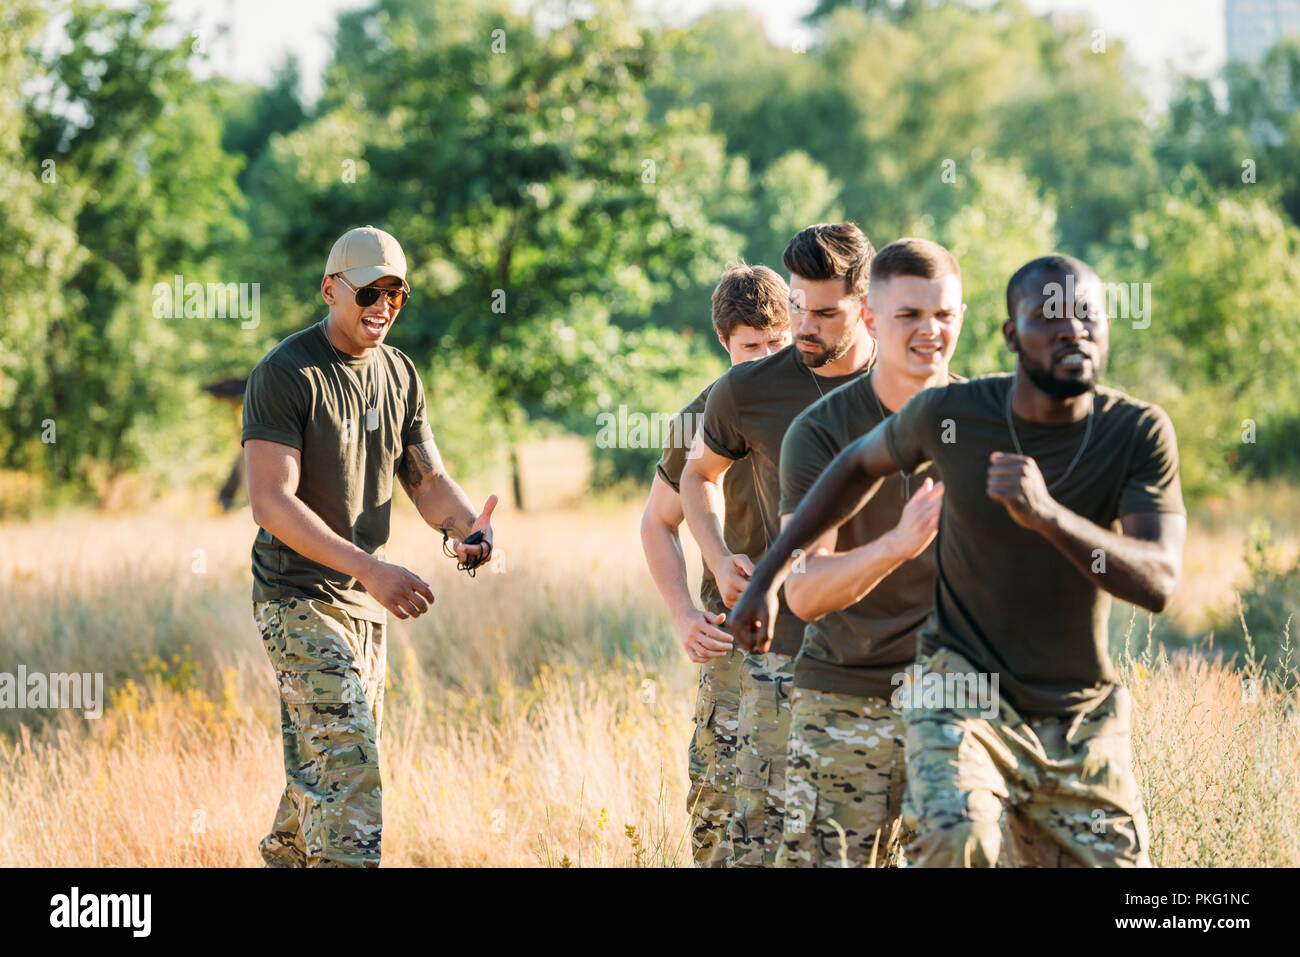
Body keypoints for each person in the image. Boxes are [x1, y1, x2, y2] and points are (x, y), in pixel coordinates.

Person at [729, 254, 1184, 867]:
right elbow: (843, 497)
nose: (1072, 331)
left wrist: (1049, 517)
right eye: (910, 314)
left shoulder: (1133, 430)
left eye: (1087, 318)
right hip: (893, 691)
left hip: (1061, 706)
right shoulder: (930, 419)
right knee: (955, 838)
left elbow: (1159, 581)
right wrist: (773, 576)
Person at [242, 225, 497, 867]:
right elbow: (271, 500)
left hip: (362, 608)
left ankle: (285, 857)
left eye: (397, 293)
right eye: (370, 292)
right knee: (350, 764)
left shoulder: (400, 374)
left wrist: (467, 529)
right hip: (296, 599)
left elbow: (428, 480)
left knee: (330, 759)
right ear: (331, 289)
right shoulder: (285, 372)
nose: (383, 305)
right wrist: (371, 568)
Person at [680, 223, 877, 866]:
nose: (804, 326)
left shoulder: (917, 382)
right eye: (798, 306)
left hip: (886, 658)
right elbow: (690, 481)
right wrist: (714, 559)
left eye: (823, 312)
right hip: (776, 654)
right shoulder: (744, 391)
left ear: (865, 305)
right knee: (752, 843)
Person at [775, 238, 962, 867]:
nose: (930, 331)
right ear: (873, 321)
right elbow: (802, 590)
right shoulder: (822, 432)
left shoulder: (993, 426)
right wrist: (896, 546)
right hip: (845, 693)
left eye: (944, 315)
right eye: (909, 316)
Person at [641, 263, 792, 867]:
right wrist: (682, 614)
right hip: (731, 639)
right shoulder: (702, 412)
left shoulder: (821, 393)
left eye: (777, 341)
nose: (765, 357)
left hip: (820, 635)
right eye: (750, 347)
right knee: (720, 814)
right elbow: (657, 522)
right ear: (724, 343)